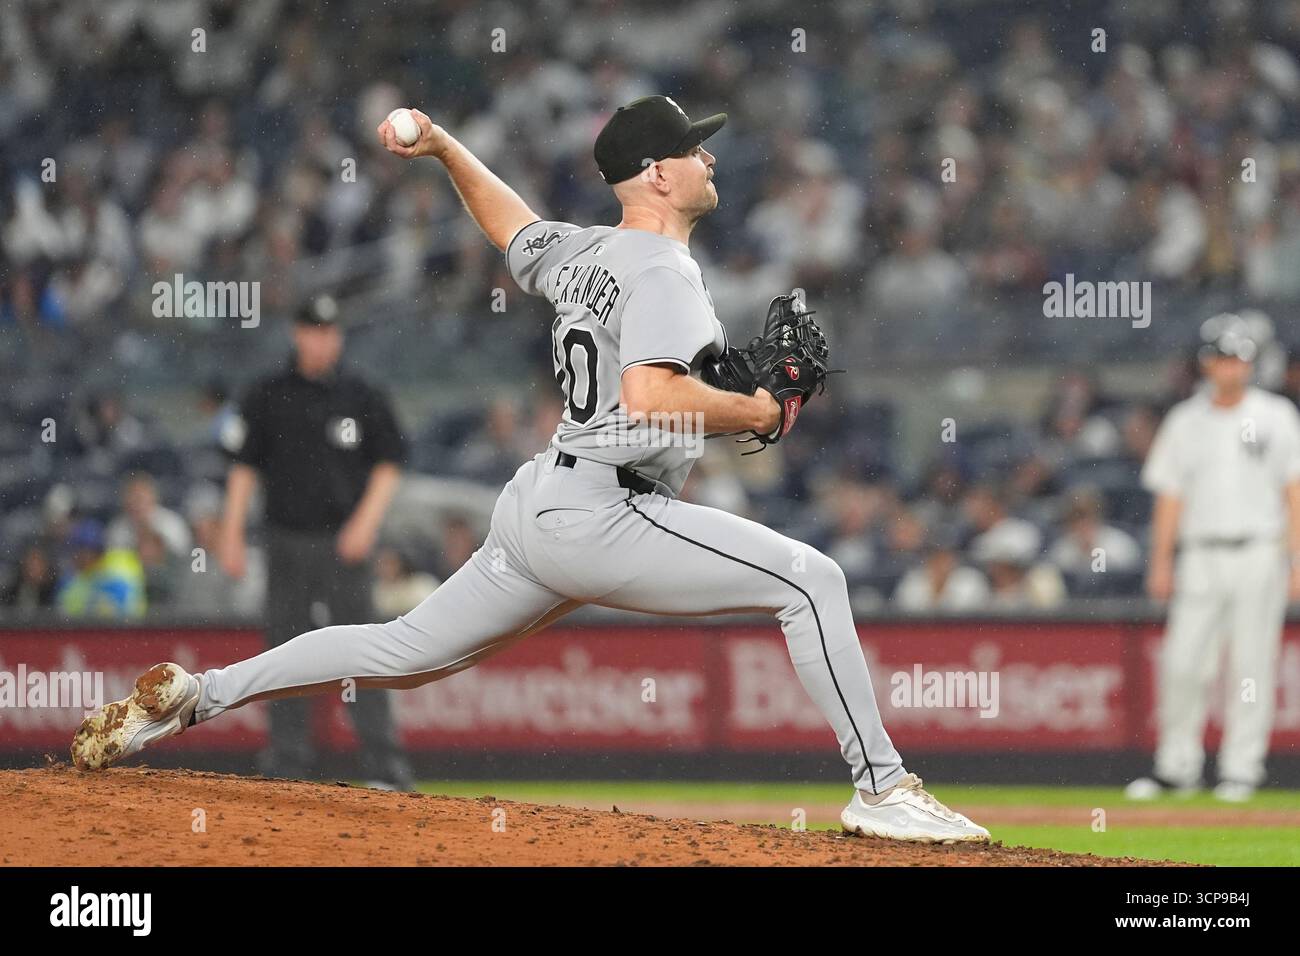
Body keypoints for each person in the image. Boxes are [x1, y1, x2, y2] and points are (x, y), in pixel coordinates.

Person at [71, 95, 988, 843]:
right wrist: (758, 410)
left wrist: (442, 148)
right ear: (658, 174)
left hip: (539, 503)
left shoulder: (584, 251)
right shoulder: (664, 268)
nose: (711, 161)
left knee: (398, 651)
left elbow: (507, 223)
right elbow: (651, 393)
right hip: (605, 512)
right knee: (812, 580)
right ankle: (881, 788)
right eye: (694, 151)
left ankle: (195, 697)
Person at [213, 294, 413, 790]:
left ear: (338, 335)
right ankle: (287, 764)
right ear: (297, 333)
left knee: (366, 658)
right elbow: (242, 467)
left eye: (329, 331)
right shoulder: (267, 392)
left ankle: (383, 768)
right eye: (312, 330)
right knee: (283, 654)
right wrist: (231, 533)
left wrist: (366, 523)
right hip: (285, 542)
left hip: (344, 544)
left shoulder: (361, 393)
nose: (321, 340)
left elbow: (390, 461)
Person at [1126, 318, 1300, 803]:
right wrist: (1160, 561)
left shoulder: (1276, 414)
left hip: (1259, 550)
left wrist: (1297, 558)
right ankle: (1176, 766)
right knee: (1183, 663)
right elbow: (1170, 497)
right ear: (1206, 363)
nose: (1230, 367)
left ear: (1250, 361)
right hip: (1200, 552)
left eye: (1239, 357)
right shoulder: (1186, 420)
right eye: (1222, 357)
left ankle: (1242, 768)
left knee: (1251, 666)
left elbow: (1294, 490)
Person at [56, 519, 146, 619]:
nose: (80, 557)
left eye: (86, 552)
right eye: (76, 551)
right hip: (81, 632)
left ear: (98, 552)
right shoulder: (68, 581)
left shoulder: (116, 574)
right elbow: (63, 616)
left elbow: (130, 613)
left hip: (121, 630)